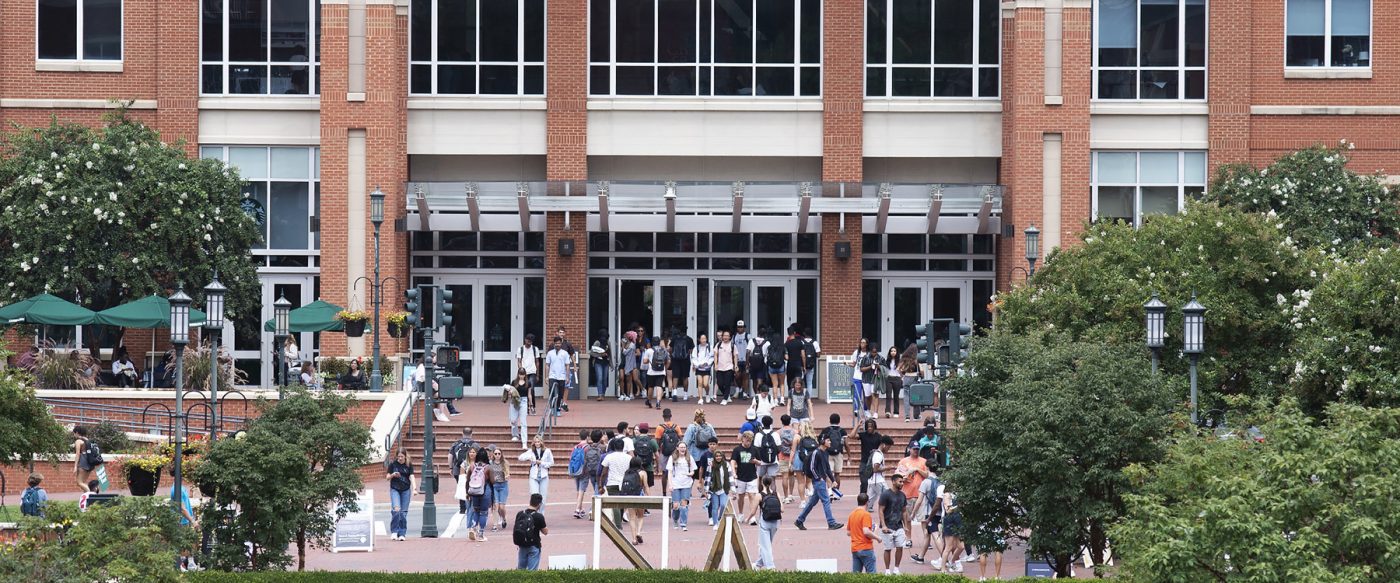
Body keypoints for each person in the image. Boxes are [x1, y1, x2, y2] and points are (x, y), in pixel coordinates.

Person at [794, 432, 843, 531]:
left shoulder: (825, 452)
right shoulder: (816, 452)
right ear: (822, 441)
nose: (830, 442)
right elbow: (812, 467)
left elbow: (828, 468)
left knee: (812, 502)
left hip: (821, 480)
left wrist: (833, 480)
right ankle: (831, 522)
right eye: (828, 440)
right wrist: (818, 478)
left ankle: (799, 520)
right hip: (818, 481)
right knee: (826, 501)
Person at [572, 429, 606, 519]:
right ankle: (592, 509)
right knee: (597, 488)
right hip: (598, 471)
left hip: (589, 470)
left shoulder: (588, 447)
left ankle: (581, 508)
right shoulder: (602, 447)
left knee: (591, 487)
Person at [880, 472, 910, 574]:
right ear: (893, 482)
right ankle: (887, 570)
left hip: (899, 526)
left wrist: (905, 526)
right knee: (888, 549)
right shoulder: (886, 494)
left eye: (903, 482)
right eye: (900, 481)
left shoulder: (902, 495)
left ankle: (896, 569)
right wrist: (883, 525)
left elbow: (904, 511)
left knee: (900, 547)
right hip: (888, 526)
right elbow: (880, 510)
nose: (902, 483)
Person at [598, 438, 632, 527]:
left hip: (612, 483)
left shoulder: (609, 457)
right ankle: (619, 521)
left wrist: (601, 484)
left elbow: (604, 472)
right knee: (621, 504)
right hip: (624, 483)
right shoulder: (629, 457)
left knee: (614, 504)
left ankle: (618, 524)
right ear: (623, 446)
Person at [730, 431, 761, 524]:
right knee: (741, 496)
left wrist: (755, 461)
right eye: (747, 440)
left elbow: (760, 463)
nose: (748, 443)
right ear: (743, 439)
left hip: (752, 476)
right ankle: (740, 514)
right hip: (740, 476)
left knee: (752, 496)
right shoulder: (737, 450)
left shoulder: (754, 449)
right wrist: (734, 473)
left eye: (750, 441)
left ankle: (752, 516)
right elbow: (732, 462)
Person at [665, 442, 697, 531]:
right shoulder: (672, 458)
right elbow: (670, 472)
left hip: (686, 484)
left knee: (684, 504)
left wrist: (690, 474)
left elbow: (693, 471)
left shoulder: (689, 458)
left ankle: (683, 523)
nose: (683, 449)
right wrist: (670, 484)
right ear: (677, 448)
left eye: (684, 447)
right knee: (676, 505)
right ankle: (675, 519)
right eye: (681, 447)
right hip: (676, 484)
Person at [448, 428, 480, 514]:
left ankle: (462, 508)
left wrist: (451, 467)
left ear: (462, 433)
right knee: (473, 486)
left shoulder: (456, 444)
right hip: (472, 469)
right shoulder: (475, 445)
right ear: (471, 434)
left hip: (457, 469)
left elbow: (450, 456)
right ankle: (472, 505)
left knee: (461, 487)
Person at [514, 493, 549, 570]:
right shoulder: (539, 516)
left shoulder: (520, 514)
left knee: (521, 570)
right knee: (532, 572)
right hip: (534, 545)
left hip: (522, 545)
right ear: (539, 504)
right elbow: (545, 532)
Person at [516, 434, 552, 509]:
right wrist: (530, 458)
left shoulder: (547, 451)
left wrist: (542, 463)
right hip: (533, 476)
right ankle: (534, 514)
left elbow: (551, 463)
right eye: (536, 442)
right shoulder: (531, 451)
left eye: (539, 442)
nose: (537, 443)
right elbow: (520, 457)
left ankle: (541, 515)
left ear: (541, 442)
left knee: (543, 498)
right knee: (534, 496)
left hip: (544, 476)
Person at [464, 448, 493, 542]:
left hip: (474, 491)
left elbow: (468, 480)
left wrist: (467, 492)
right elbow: (493, 481)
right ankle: (481, 534)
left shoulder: (472, 466)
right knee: (483, 512)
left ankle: (473, 527)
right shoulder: (488, 467)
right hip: (485, 490)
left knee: (476, 510)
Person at [621, 457, 650, 545]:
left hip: (629, 496)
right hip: (639, 496)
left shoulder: (627, 472)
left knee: (632, 518)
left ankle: (634, 539)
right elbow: (646, 486)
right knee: (640, 516)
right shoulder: (643, 473)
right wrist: (649, 497)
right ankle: (638, 533)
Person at [386, 451, 414, 541]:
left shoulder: (409, 465)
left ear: (405, 456)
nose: (400, 458)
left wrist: (415, 488)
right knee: (396, 510)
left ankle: (402, 533)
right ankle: (394, 531)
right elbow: (387, 477)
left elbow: (412, 477)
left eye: (402, 456)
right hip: (395, 489)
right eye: (398, 457)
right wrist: (393, 475)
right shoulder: (393, 465)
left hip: (406, 490)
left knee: (403, 513)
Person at [848, 493, 880, 573]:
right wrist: (877, 538)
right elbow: (866, 531)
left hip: (855, 548)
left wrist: (857, 533)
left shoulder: (852, 514)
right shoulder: (866, 514)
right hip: (865, 547)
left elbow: (849, 532)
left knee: (856, 575)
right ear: (867, 502)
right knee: (871, 574)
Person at [755, 475, 781, 570]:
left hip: (764, 521)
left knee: (765, 546)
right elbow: (782, 509)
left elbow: (753, 511)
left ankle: (771, 567)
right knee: (767, 544)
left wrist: (748, 518)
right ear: (771, 483)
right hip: (776, 522)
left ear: (762, 483)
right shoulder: (776, 493)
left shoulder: (759, 495)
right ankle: (758, 564)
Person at [821, 413, 848, 499]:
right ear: (839, 421)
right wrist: (849, 455)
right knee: (837, 474)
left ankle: (830, 492)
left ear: (830, 420)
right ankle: (836, 492)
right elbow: (846, 444)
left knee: (829, 473)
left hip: (828, 453)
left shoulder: (826, 430)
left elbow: (821, 441)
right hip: (839, 454)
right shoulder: (842, 431)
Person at [940, 486, 965, 574]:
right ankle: (943, 569)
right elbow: (948, 510)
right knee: (949, 546)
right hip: (950, 521)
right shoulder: (947, 495)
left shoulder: (958, 495)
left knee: (961, 546)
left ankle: (952, 562)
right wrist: (958, 506)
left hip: (958, 521)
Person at [705, 442, 731, 527]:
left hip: (724, 488)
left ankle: (719, 518)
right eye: (717, 456)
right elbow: (708, 478)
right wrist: (706, 490)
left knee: (723, 505)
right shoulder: (711, 466)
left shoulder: (726, 465)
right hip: (714, 489)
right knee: (715, 507)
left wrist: (733, 489)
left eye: (720, 456)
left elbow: (730, 476)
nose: (718, 457)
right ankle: (715, 523)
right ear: (714, 457)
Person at [545, 336, 571, 417]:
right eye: (556, 343)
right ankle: (552, 408)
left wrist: (567, 377)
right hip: (552, 375)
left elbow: (567, 365)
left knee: (560, 394)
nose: (557, 345)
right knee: (551, 392)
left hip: (562, 376)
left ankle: (558, 409)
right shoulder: (550, 353)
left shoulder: (565, 353)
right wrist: (546, 376)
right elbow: (547, 365)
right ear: (554, 344)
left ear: (561, 343)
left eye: (559, 343)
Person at [755, 416, 781, 496]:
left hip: (761, 461)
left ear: (762, 423)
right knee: (772, 480)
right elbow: (779, 448)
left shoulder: (759, 434)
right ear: (771, 423)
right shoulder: (775, 434)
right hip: (773, 460)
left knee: (760, 479)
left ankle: (760, 497)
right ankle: (773, 497)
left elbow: (756, 448)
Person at [488, 446, 512, 531]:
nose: (497, 455)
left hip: (503, 485)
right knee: (495, 506)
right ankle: (495, 525)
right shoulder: (490, 463)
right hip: (494, 486)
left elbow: (507, 472)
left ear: (501, 454)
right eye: (495, 454)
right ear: (493, 455)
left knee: (502, 507)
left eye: (499, 453)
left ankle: (504, 518)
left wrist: (507, 476)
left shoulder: (505, 462)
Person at [517, 334, 542, 414]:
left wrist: (538, 374)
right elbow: (519, 361)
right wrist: (520, 370)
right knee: (524, 390)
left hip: (532, 372)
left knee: (531, 389)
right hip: (524, 373)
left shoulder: (535, 349)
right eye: (528, 341)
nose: (529, 343)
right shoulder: (520, 349)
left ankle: (532, 407)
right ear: (525, 340)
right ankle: (526, 408)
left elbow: (537, 362)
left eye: (530, 341)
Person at [72, 426, 102, 491]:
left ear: (77, 432)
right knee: (83, 482)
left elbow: (78, 454)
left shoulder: (78, 441)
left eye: (74, 433)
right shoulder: (88, 440)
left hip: (83, 463)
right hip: (90, 463)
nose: (74, 435)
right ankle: (87, 498)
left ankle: (91, 495)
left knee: (79, 482)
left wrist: (75, 466)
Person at [857, 418, 882, 497]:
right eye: (868, 427)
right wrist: (858, 425)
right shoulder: (863, 435)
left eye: (871, 426)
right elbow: (851, 435)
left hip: (874, 463)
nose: (869, 428)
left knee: (874, 484)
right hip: (864, 462)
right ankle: (862, 499)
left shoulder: (878, 436)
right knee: (864, 482)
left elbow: (882, 448)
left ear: (874, 427)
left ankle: (870, 502)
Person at [868, 436, 893, 514]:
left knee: (869, 501)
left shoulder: (878, 453)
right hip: (878, 481)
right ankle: (886, 515)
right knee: (888, 498)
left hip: (873, 481)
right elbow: (875, 469)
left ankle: (862, 511)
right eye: (888, 447)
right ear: (884, 445)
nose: (888, 449)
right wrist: (887, 468)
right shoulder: (878, 455)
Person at [713, 329, 738, 405]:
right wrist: (716, 364)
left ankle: (725, 399)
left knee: (727, 383)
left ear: (730, 337)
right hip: (720, 367)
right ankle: (726, 395)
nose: (725, 337)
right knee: (720, 383)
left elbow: (735, 356)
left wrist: (736, 365)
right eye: (724, 335)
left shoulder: (733, 345)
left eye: (727, 336)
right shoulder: (718, 344)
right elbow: (715, 355)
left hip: (729, 367)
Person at [783, 326, 807, 403]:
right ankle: (799, 397)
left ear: (788, 333)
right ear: (794, 333)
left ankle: (791, 398)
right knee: (798, 381)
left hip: (790, 365)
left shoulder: (786, 344)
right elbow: (803, 355)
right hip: (798, 364)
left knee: (790, 382)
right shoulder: (799, 342)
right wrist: (804, 366)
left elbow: (786, 356)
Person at [642, 337, 667, 409]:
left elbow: (644, 361)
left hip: (651, 372)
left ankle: (649, 401)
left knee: (651, 387)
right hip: (661, 371)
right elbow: (667, 360)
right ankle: (658, 402)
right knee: (659, 386)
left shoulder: (649, 350)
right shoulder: (663, 350)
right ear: (659, 342)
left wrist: (650, 361)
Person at [506, 372, 530, 447]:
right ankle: (515, 435)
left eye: (523, 374)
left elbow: (529, 394)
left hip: (524, 401)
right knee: (513, 420)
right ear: (518, 374)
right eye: (520, 374)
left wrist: (531, 404)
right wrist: (509, 392)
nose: (521, 376)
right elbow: (510, 393)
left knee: (523, 422)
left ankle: (524, 441)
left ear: (525, 374)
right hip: (514, 401)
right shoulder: (514, 382)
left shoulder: (528, 383)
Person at [669, 327, 693, 401]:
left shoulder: (674, 338)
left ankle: (675, 394)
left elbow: (670, 349)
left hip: (675, 360)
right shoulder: (689, 339)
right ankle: (685, 395)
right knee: (685, 377)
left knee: (675, 376)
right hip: (685, 360)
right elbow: (691, 350)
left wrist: (672, 356)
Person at [777, 414, 797, 504]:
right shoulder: (795, 432)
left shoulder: (778, 432)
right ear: (790, 421)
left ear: (782, 421)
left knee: (784, 477)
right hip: (793, 456)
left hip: (782, 456)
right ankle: (791, 494)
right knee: (792, 475)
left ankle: (785, 497)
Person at [897, 345, 920, 422]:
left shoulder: (904, 359)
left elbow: (898, 369)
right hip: (914, 379)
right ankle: (916, 416)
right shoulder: (916, 360)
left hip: (906, 378)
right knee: (915, 397)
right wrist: (921, 375)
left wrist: (902, 377)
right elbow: (922, 371)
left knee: (906, 398)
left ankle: (907, 417)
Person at [850, 338, 870, 418]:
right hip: (857, 376)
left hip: (866, 377)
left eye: (864, 342)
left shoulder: (869, 353)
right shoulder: (857, 352)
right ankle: (856, 409)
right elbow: (854, 364)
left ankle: (865, 410)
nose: (862, 344)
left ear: (867, 344)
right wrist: (847, 363)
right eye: (861, 342)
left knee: (866, 395)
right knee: (857, 394)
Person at [732, 320, 752, 400]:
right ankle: (738, 390)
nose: (740, 328)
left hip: (746, 360)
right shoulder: (734, 337)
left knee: (745, 377)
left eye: (741, 327)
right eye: (738, 327)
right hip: (737, 360)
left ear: (744, 327)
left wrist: (749, 361)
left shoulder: (748, 336)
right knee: (737, 376)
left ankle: (744, 393)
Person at [692, 333, 714, 404]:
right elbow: (694, 358)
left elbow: (712, 357)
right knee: (700, 383)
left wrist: (707, 363)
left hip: (706, 368)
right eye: (702, 339)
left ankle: (707, 394)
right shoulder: (696, 348)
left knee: (705, 384)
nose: (704, 340)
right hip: (699, 368)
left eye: (705, 338)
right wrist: (697, 365)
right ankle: (700, 398)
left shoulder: (710, 347)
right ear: (699, 340)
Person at [591, 329, 612, 401]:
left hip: (606, 363)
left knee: (604, 379)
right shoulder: (597, 342)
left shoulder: (608, 342)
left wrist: (611, 364)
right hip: (598, 362)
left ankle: (603, 393)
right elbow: (592, 353)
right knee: (599, 378)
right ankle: (599, 394)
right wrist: (600, 354)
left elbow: (610, 354)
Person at [619, 331, 639, 401]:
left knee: (628, 379)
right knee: (621, 377)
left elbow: (624, 352)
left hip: (628, 363)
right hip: (622, 362)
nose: (626, 337)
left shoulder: (632, 345)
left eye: (627, 336)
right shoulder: (623, 342)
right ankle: (621, 394)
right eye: (625, 336)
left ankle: (628, 394)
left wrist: (623, 345)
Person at [882, 346, 901, 418]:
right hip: (889, 378)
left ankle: (896, 412)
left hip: (897, 378)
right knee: (888, 396)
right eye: (892, 351)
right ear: (890, 353)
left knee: (896, 396)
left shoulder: (900, 361)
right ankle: (888, 411)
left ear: (897, 352)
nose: (893, 352)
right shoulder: (887, 361)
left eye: (894, 351)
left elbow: (902, 371)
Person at [802, 327, 821, 394]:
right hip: (811, 365)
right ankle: (808, 398)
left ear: (804, 333)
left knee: (801, 381)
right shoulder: (815, 342)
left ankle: (802, 396)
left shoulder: (802, 342)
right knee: (809, 382)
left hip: (802, 365)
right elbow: (818, 355)